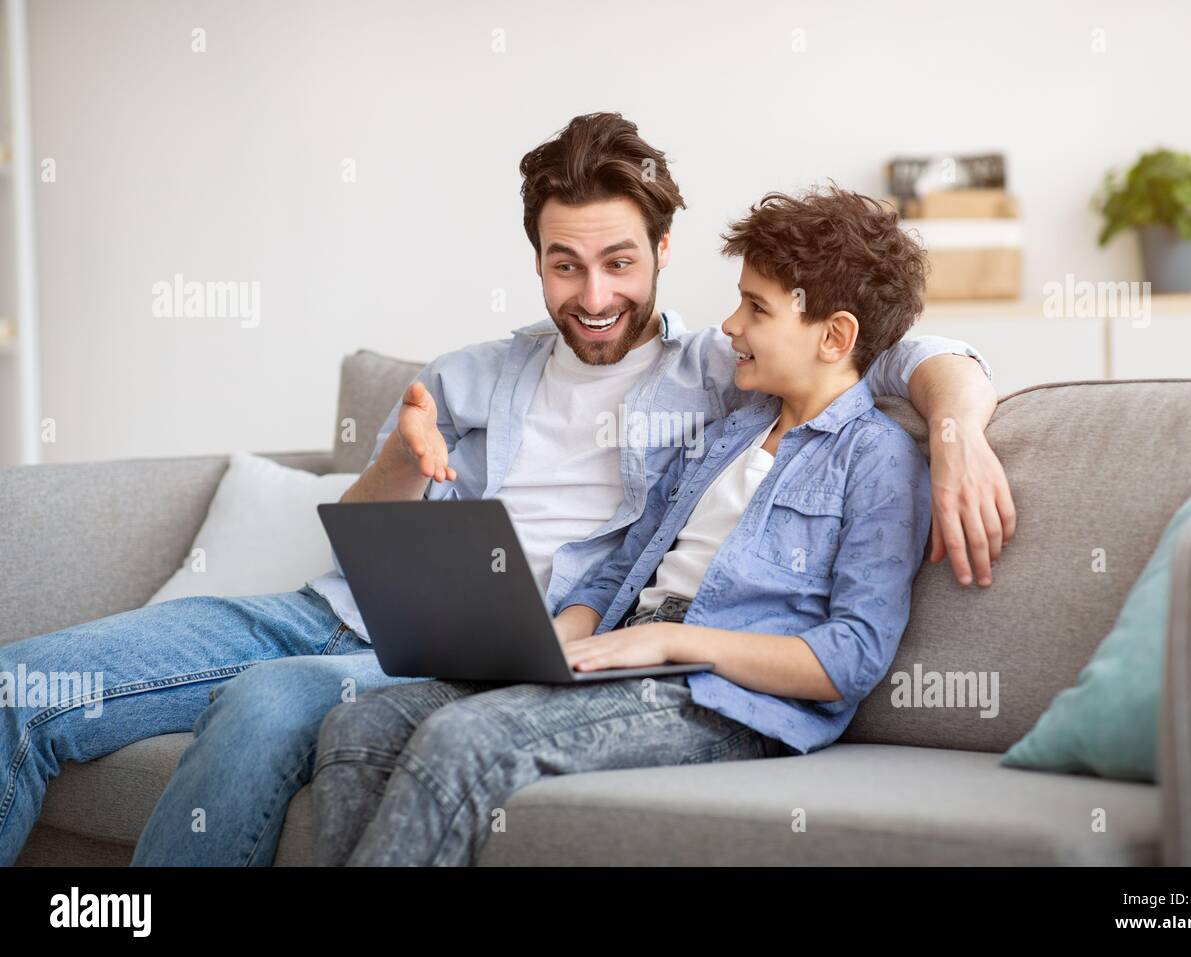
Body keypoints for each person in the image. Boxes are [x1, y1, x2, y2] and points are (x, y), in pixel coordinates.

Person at [0, 112, 1009, 867]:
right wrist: (404, 459)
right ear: (535, 262)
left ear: (663, 253)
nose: (595, 294)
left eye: (620, 261)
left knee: (281, 707)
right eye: (564, 266)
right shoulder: (482, 373)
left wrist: (956, 429)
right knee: (18, 687)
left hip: (507, 657)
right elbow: (366, 531)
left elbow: (884, 350)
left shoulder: (722, 373)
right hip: (343, 611)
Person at [310, 185, 933, 866]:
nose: (729, 325)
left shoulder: (877, 459)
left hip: (723, 699)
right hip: (624, 659)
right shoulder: (729, 431)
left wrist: (672, 639)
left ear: (835, 336)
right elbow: (625, 560)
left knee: (465, 740)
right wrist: (549, 642)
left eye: (756, 308)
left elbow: (851, 656)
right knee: (359, 722)